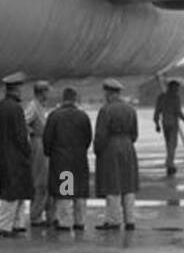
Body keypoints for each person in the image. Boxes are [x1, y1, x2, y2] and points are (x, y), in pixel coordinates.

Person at [0, 71, 34, 237]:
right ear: (16, 90)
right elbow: (21, 136)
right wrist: (28, 152)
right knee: (12, 194)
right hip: (16, 157)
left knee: (18, 191)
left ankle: (17, 223)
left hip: (0, 155)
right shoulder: (16, 109)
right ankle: (2, 226)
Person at [43, 86, 92, 232]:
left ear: (63, 99)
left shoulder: (55, 116)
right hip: (79, 161)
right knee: (80, 193)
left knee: (65, 193)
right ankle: (80, 222)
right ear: (75, 99)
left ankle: (64, 223)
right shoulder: (83, 116)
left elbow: (47, 139)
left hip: (62, 161)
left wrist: (50, 153)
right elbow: (88, 138)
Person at [95, 78, 140, 230]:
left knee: (112, 184)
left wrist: (98, 150)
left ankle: (114, 220)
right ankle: (130, 219)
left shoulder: (105, 110)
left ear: (109, 93)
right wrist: (127, 142)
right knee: (128, 184)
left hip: (111, 148)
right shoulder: (130, 109)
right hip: (128, 146)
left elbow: (100, 135)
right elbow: (135, 134)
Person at [26, 80, 52, 226]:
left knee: (46, 180)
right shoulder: (34, 106)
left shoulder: (40, 106)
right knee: (40, 181)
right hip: (39, 144)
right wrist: (32, 133)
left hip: (44, 143)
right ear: (42, 92)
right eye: (47, 91)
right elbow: (23, 121)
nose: (49, 94)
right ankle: (36, 216)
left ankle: (47, 213)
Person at [153, 78, 184, 177]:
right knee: (172, 145)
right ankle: (170, 165)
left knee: (169, 144)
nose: (178, 90)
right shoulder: (175, 97)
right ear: (173, 88)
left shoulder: (161, 97)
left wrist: (157, 124)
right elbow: (178, 111)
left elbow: (157, 112)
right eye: (177, 88)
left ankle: (169, 162)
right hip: (173, 124)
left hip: (165, 123)